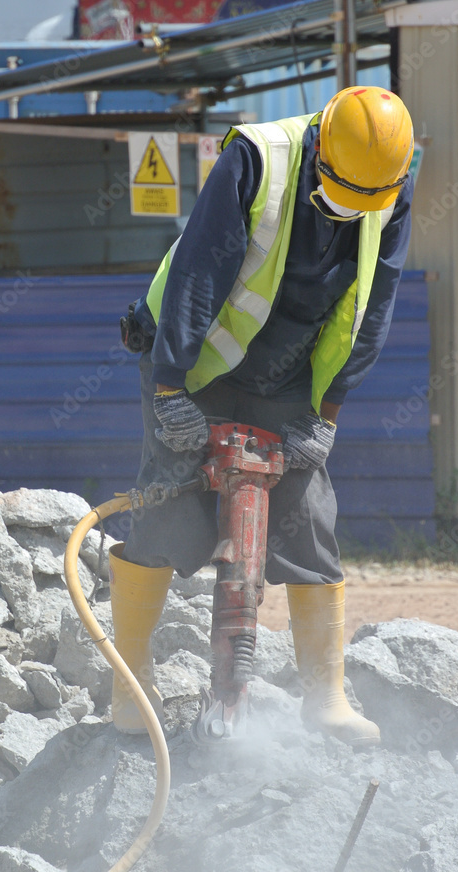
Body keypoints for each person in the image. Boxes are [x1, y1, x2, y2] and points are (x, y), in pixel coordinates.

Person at [109, 86, 415, 747]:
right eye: (341, 193)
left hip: (289, 373)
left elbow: (374, 304)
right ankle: (129, 690)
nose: (351, 211)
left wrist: (325, 415)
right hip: (194, 361)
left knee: (308, 520)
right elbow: (196, 272)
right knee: (166, 507)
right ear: (318, 154)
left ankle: (325, 698)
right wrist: (169, 392)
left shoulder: (388, 186)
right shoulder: (257, 159)